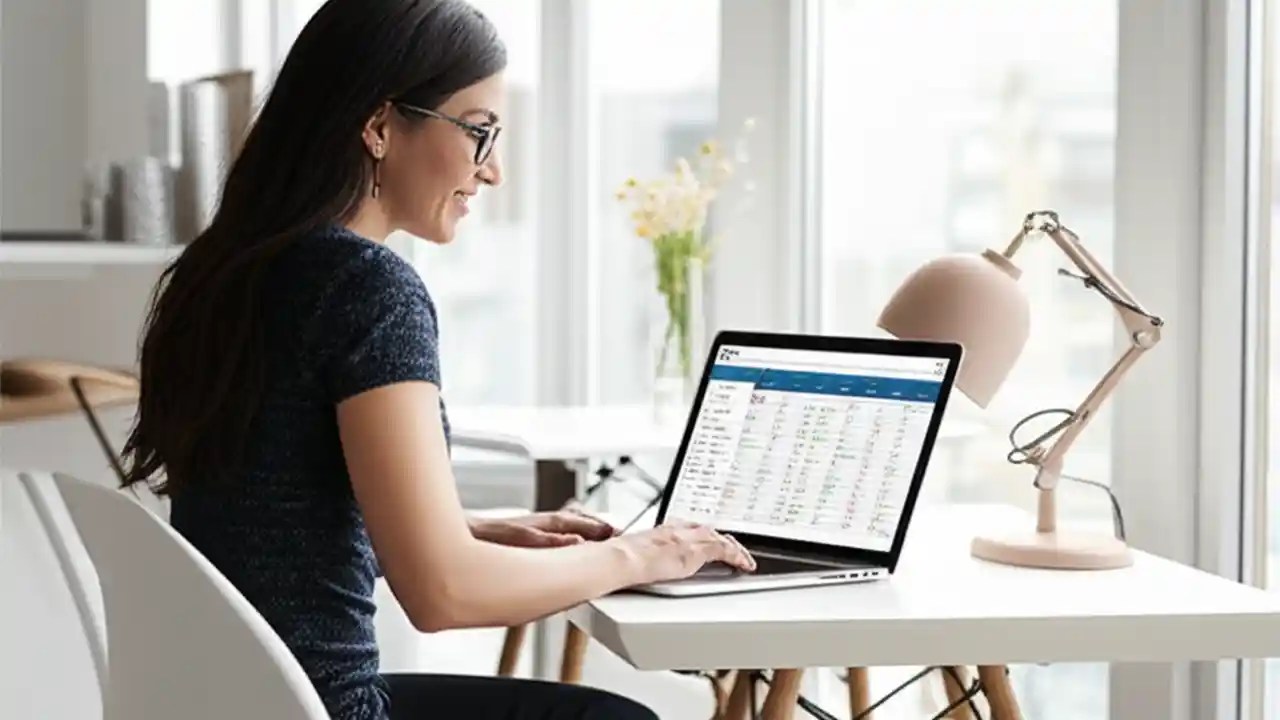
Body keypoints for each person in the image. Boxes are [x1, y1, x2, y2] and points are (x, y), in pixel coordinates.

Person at [119, 1, 755, 718]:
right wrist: (642, 555)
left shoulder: (229, 272)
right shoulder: (366, 289)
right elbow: (443, 593)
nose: (494, 172)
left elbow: (271, 516)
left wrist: (467, 533)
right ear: (382, 126)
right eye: (480, 133)